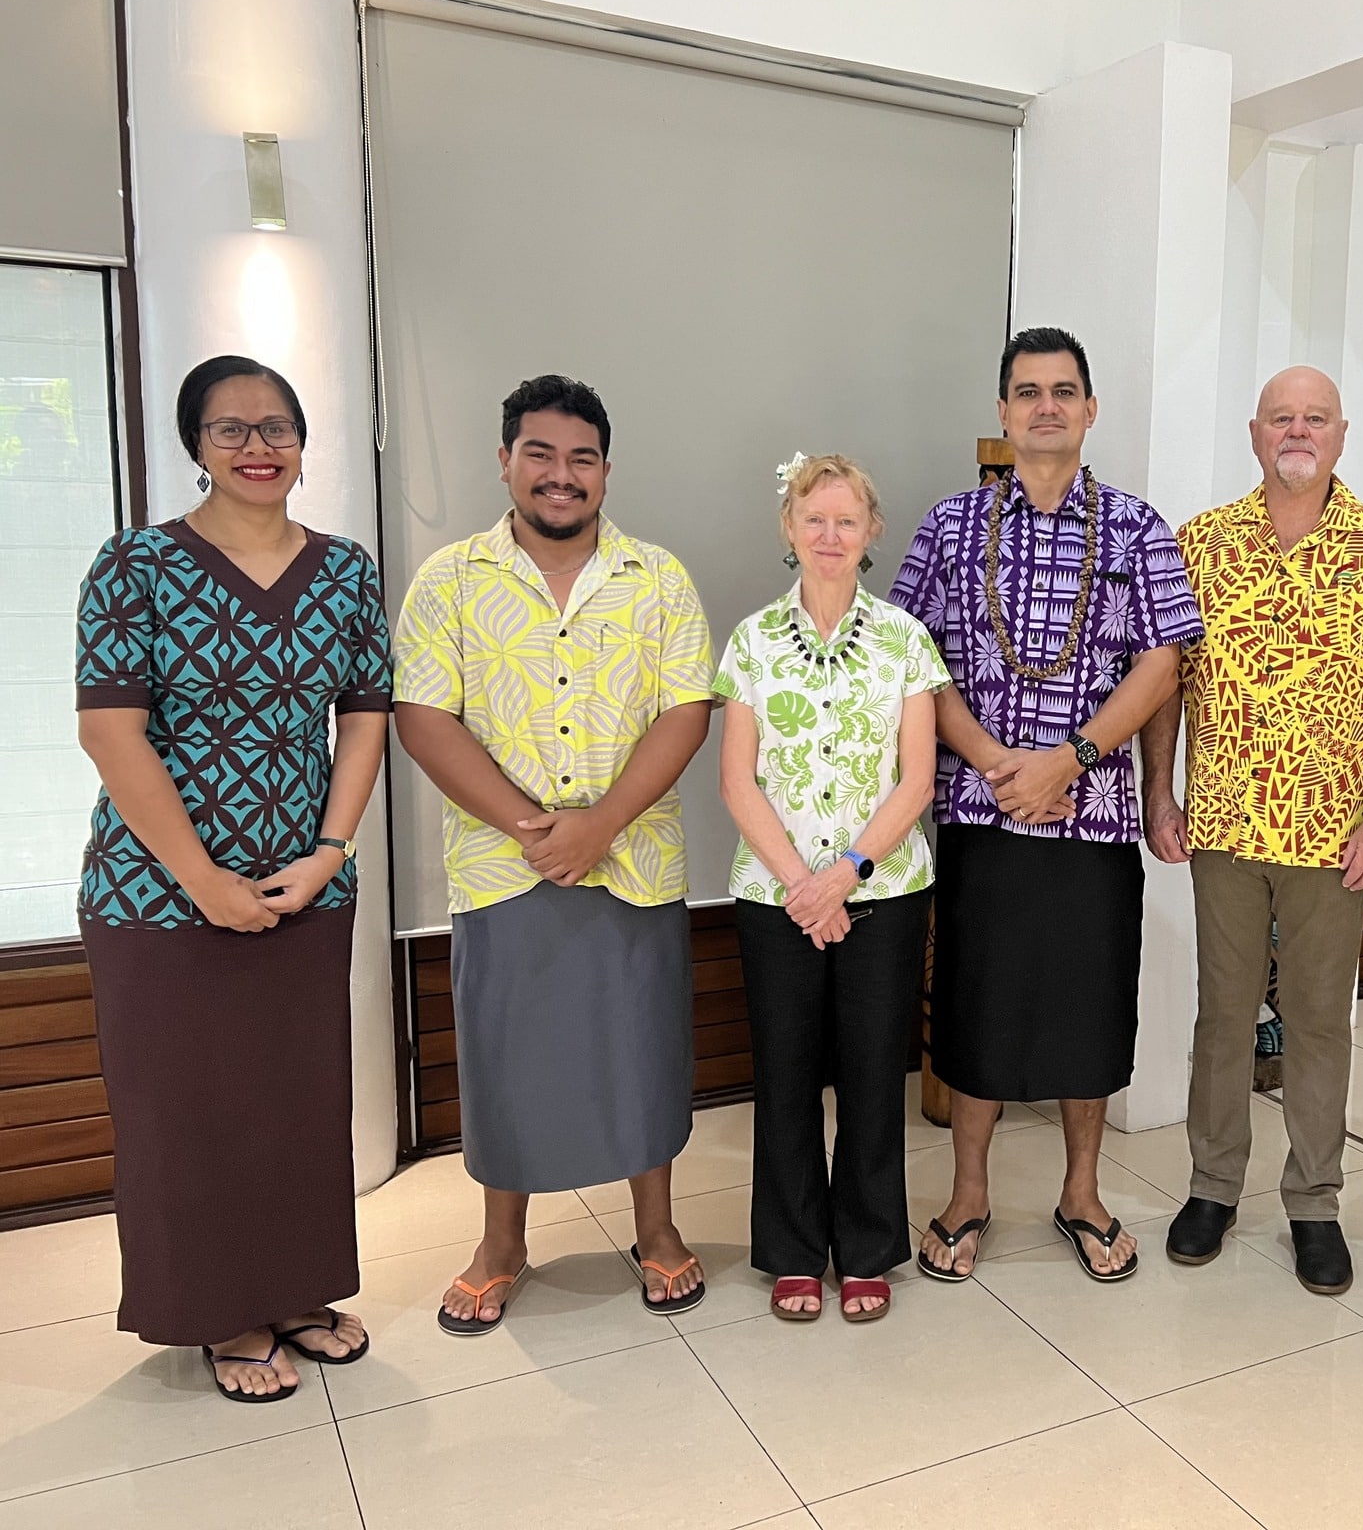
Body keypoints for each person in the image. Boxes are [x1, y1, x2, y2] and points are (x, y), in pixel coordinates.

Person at [74, 355, 389, 1401]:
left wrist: (331, 851)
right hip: (158, 897)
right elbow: (112, 732)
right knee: (188, 1108)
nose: (258, 447)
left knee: (295, 1103)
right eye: (230, 429)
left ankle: (297, 1289)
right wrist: (202, 878)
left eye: (276, 427)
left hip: (305, 885)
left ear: (303, 441)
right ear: (194, 445)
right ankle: (220, 1312)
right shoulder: (136, 566)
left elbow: (364, 718)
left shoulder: (344, 570)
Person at [393, 375, 715, 1334]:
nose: (560, 476)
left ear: (606, 471)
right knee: (508, 1055)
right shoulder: (449, 579)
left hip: (636, 859)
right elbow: (422, 717)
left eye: (581, 458)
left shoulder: (659, 577)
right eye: (540, 454)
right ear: (506, 462)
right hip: (503, 865)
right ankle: (502, 1244)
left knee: (641, 1047)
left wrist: (602, 823)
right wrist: (538, 827)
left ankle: (656, 1230)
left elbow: (686, 712)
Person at [1142, 366, 1363, 1296]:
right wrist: (1161, 793)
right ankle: (1212, 1188)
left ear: (1341, 433)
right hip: (1227, 826)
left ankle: (1315, 1202)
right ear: (1254, 434)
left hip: (1338, 836)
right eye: (1281, 417)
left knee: (1321, 1023)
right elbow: (1170, 680)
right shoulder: (1201, 543)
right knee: (1223, 1018)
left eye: (1313, 417)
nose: (1297, 431)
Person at [890, 326, 1202, 1284]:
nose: (1047, 406)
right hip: (982, 813)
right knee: (978, 1003)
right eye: (1028, 391)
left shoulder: (1141, 528)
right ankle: (969, 1192)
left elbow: (1163, 660)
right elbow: (913, 661)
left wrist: (1073, 758)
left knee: (1089, 1007)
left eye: (1064, 391)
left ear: (1090, 409)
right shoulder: (949, 527)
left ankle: (1081, 1191)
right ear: (1003, 412)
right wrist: (991, 760)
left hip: (1094, 811)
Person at [716, 452, 949, 1322]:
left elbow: (916, 778)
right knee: (783, 1076)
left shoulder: (904, 640)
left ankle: (866, 1247)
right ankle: (788, 1250)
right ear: (789, 528)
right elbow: (739, 782)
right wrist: (801, 887)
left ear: (870, 532)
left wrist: (844, 875)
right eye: (814, 519)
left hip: (883, 893)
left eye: (846, 521)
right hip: (773, 893)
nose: (829, 535)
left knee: (869, 1076)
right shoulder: (751, 641)